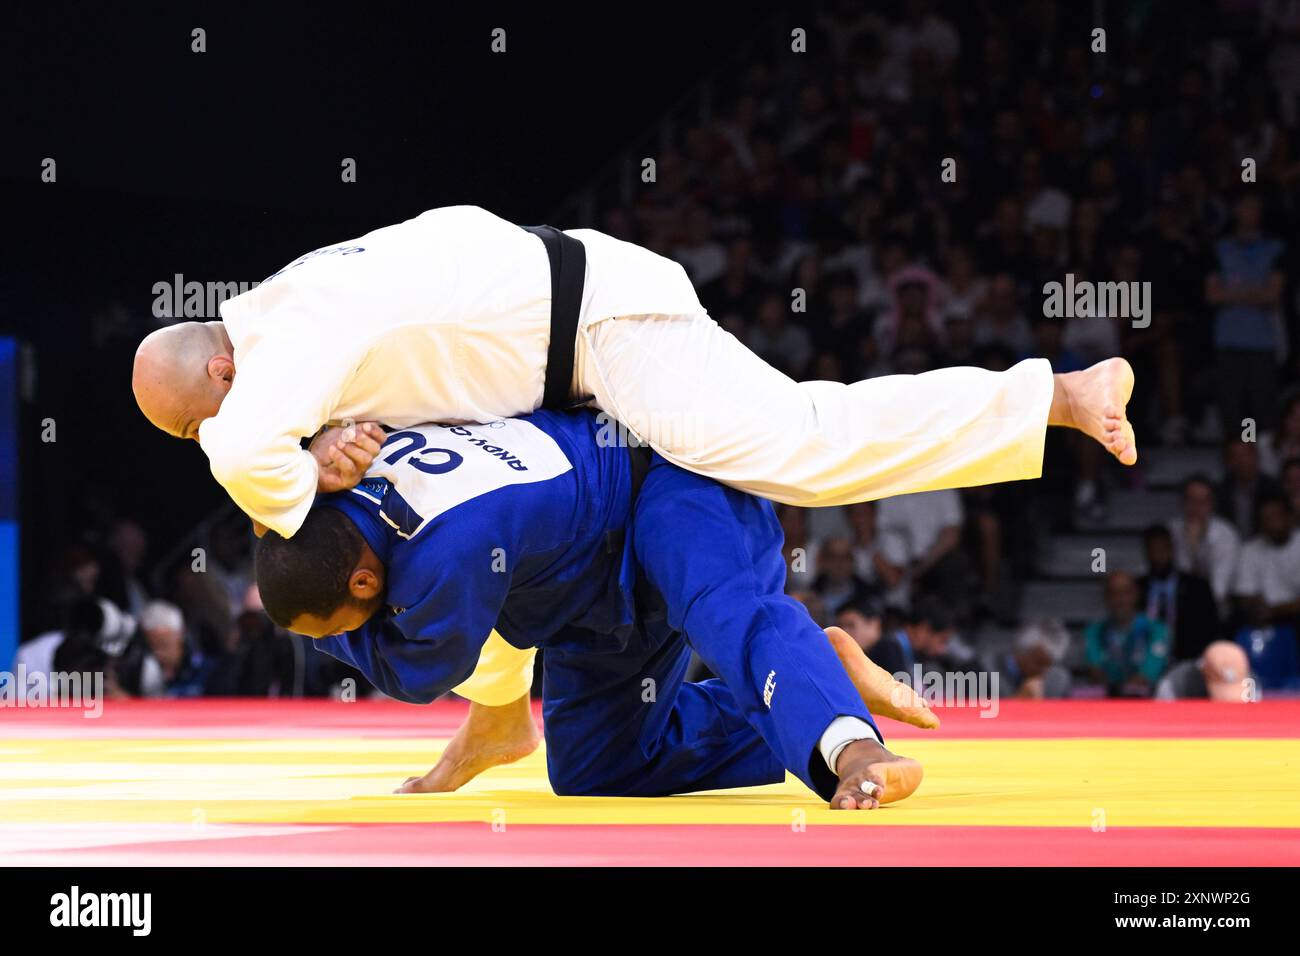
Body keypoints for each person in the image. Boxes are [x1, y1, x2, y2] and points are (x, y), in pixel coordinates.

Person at [131, 205, 1138, 543]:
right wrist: (320, 451)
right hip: (569, 341)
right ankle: (493, 715)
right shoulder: (290, 307)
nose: (205, 438)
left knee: (797, 448)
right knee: (447, 503)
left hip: (601, 326)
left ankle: (1055, 392)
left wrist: (255, 446)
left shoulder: (280, 336)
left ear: (220, 364)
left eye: (192, 422)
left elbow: (249, 462)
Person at [254, 410, 940, 809]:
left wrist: (343, 641)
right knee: (598, 768)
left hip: (665, 483)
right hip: (586, 594)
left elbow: (421, 672)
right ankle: (818, 680)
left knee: (720, 607)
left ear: (366, 584)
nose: (344, 642)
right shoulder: (337, 478)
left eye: (342, 628)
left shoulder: (444, 548)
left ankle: (850, 748)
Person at [1138, 524, 1220, 662]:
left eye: (1163, 549)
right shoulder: (1137, 588)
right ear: (1146, 552)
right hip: (1146, 663)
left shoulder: (1197, 587)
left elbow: (1210, 632)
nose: (1159, 555)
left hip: (1187, 661)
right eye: (1153, 550)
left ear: (1172, 549)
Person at [1083, 571, 1170, 697]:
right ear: (1105, 596)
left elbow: (1147, 676)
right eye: (1114, 593)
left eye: (1126, 592)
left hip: (1149, 703)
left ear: (1136, 594)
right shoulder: (1094, 631)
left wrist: (1126, 690)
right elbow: (1096, 673)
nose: (1120, 599)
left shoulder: (1157, 630)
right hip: (1107, 702)